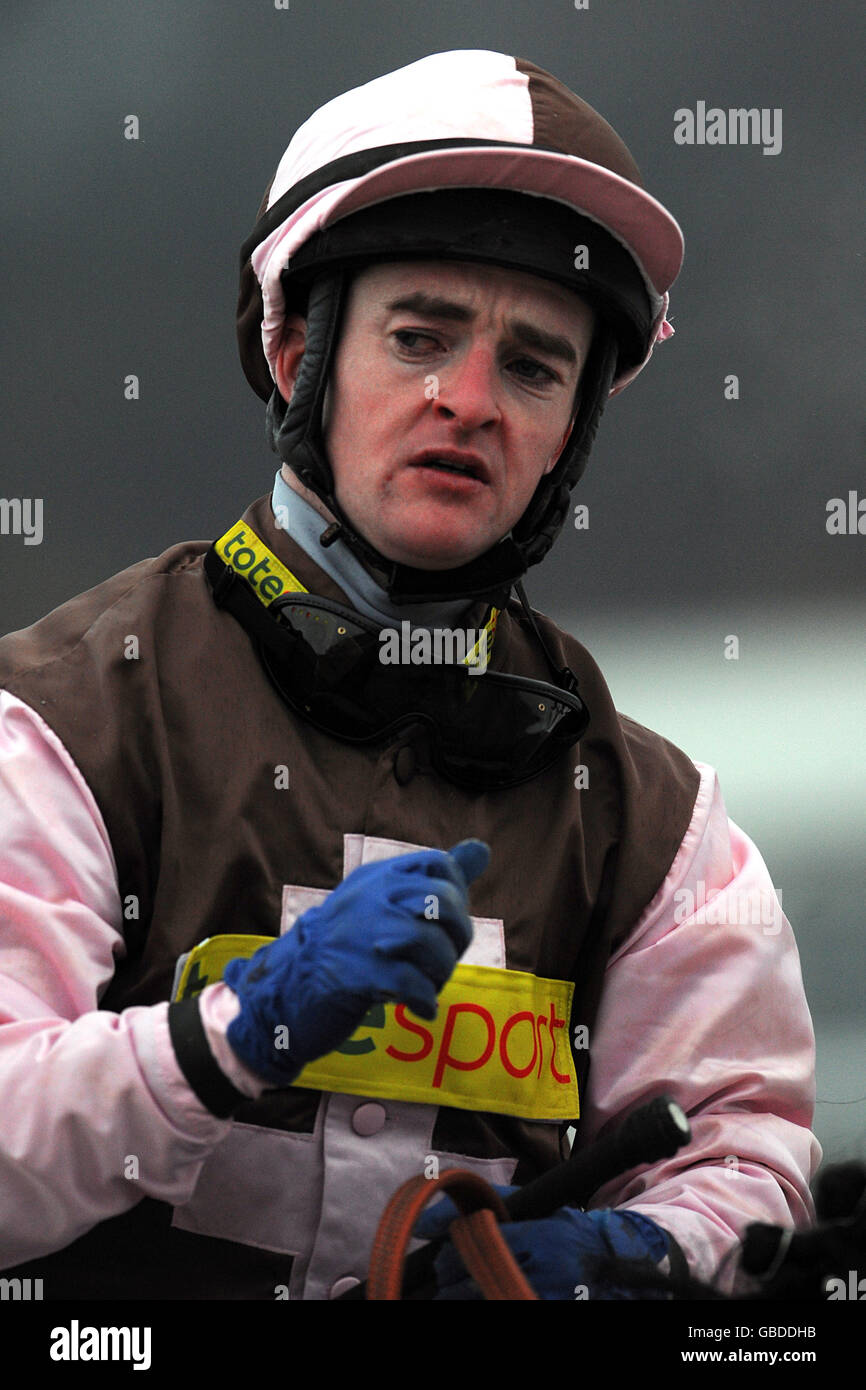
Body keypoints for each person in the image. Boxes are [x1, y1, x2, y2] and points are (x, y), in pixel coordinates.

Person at [0, 49, 819, 1301]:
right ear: (293, 353)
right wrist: (237, 1031)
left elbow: (745, 1158)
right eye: (420, 336)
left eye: (534, 367)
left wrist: (642, 1249)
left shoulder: (665, 829)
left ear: (567, 435)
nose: (471, 401)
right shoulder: (61, 722)